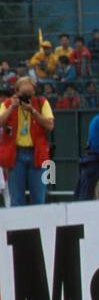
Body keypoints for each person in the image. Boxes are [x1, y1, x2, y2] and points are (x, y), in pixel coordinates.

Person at [0, 76, 54, 206]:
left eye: (29, 95)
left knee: (39, 197)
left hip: (37, 154)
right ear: (17, 92)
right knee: (16, 198)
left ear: (34, 92)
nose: (26, 99)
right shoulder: (8, 103)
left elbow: (50, 125)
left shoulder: (41, 102)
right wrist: (11, 108)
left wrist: (33, 111)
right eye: (23, 95)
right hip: (16, 155)